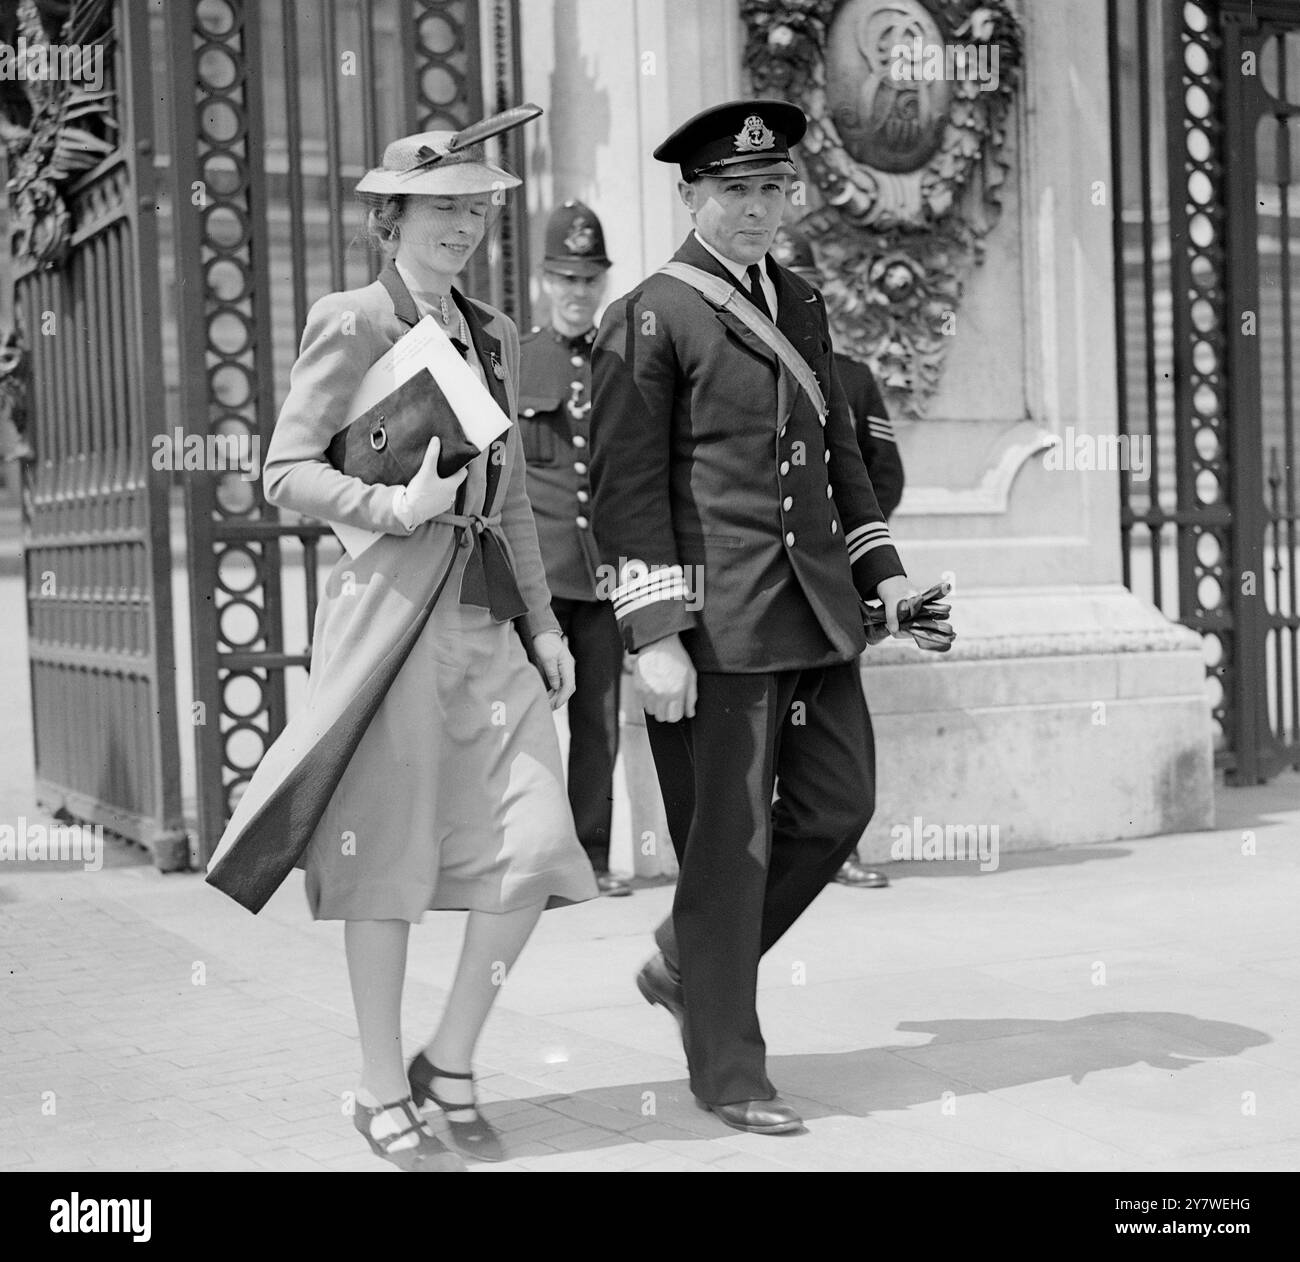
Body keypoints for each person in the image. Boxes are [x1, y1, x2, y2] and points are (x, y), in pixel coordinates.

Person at [205, 112, 598, 1171]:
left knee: (533, 846)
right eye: (443, 208)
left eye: (475, 207)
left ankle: (451, 1060)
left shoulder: (503, 335)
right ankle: (384, 1090)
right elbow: (284, 470)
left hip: (486, 625)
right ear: (393, 217)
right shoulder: (351, 320)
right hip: (389, 625)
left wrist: (546, 623)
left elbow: (511, 500)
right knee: (385, 864)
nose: (463, 224)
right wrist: (392, 506)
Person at [590, 99, 918, 1134]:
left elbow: (841, 466)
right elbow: (623, 491)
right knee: (724, 849)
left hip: (813, 616)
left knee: (835, 805)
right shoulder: (650, 312)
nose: (754, 209)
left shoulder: (803, 303)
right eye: (732, 192)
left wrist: (889, 578)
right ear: (690, 196)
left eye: (770, 188)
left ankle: (690, 961)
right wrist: (653, 638)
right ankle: (728, 1069)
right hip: (715, 626)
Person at [772, 222, 905, 889]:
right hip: (765, 588)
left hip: (836, 584)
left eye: (813, 289)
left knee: (836, 751)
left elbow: (881, 478)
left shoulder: (851, 377)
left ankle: (838, 852)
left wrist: (861, 562)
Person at [518, 201, 630, 897]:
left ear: (603, 284)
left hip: (607, 579)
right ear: (543, 281)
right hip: (541, 583)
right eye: (564, 278)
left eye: (588, 280)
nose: (576, 292)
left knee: (598, 726)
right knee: (528, 727)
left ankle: (589, 856)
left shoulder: (628, 364)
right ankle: (532, 859)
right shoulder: (517, 361)